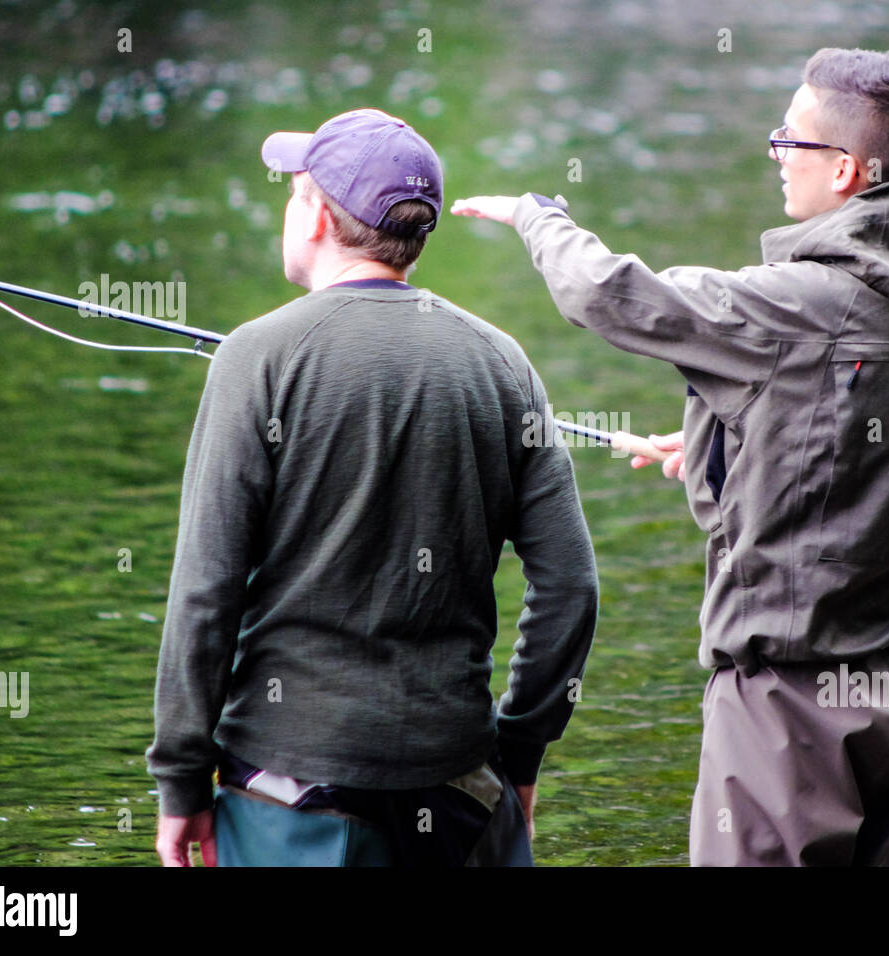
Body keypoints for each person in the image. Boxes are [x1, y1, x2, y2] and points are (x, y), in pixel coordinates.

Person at [452, 47, 889, 866]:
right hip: (888, 702)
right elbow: (884, 436)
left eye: (791, 140)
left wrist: (539, 217)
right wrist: (742, 439)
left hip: (785, 710)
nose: (776, 153)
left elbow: (611, 293)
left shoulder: (796, 304)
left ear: (846, 169)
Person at [146, 108, 599, 867]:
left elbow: (205, 592)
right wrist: (518, 755)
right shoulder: (502, 361)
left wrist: (181, 782)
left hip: (289, 792)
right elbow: (571, 588)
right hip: (462, 791)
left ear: (318, 214)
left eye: (294, 193)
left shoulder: (256, 358)